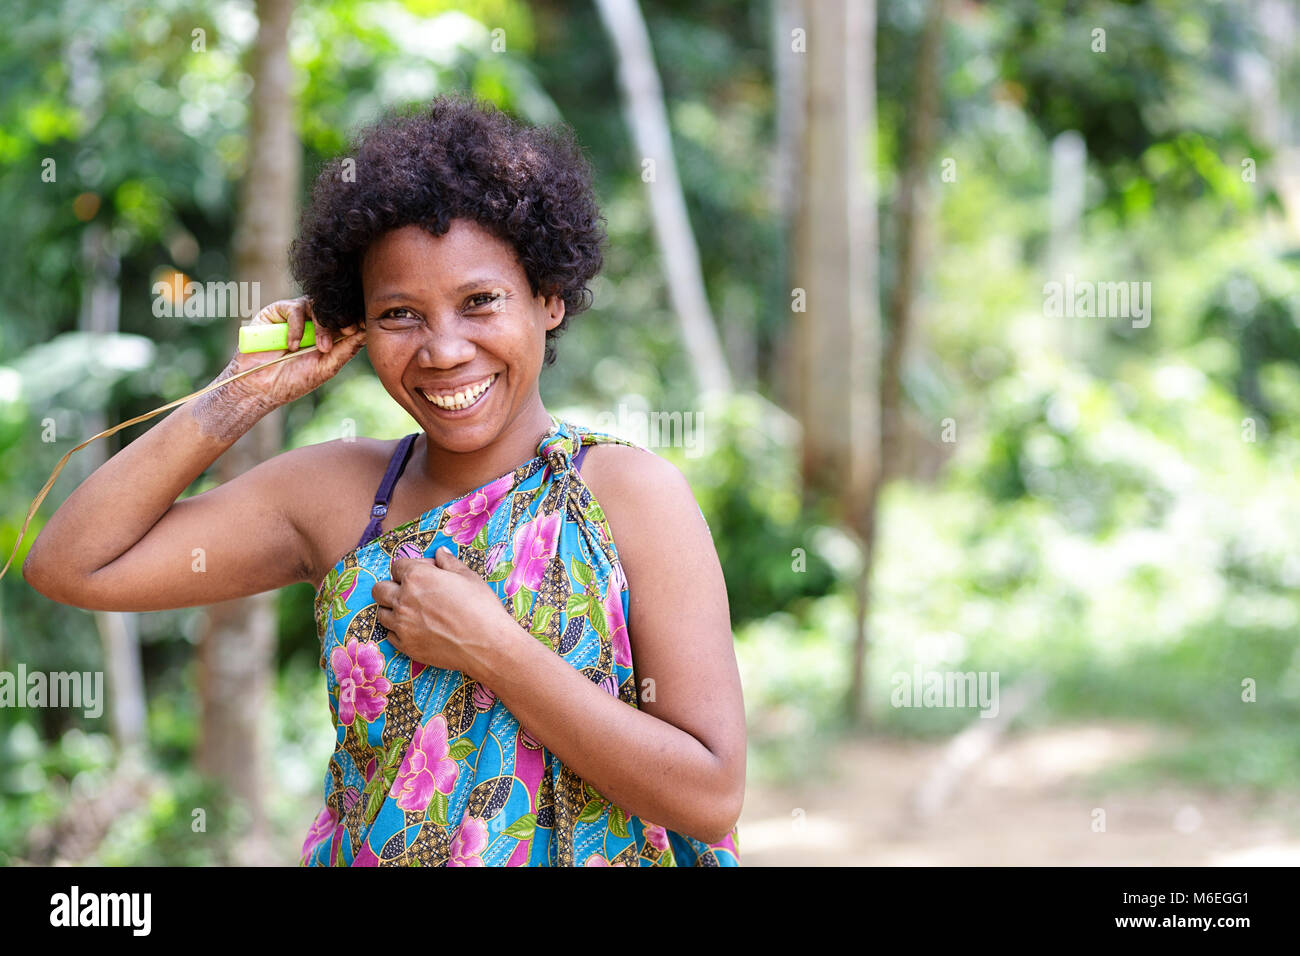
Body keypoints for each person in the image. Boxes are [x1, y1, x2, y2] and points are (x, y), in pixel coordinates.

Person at [22, 93, 745, 866]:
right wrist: (239, 396)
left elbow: (707, 796)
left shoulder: (631, 495)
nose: (442, 350)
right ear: (356, 325)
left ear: (550, 297)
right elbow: (72, 564)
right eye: (400, 314)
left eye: (479, 303)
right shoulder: (339, 497)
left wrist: (492, 648)